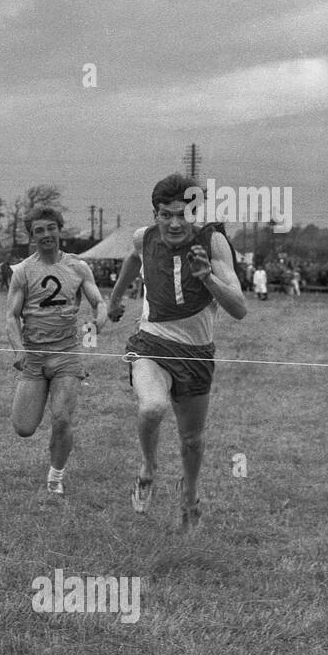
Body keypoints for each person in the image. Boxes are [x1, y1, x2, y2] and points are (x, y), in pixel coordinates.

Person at [107, 173, 246, 529]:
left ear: (196, 214)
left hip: (196, 353)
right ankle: (147, 468)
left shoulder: (212, 243)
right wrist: (116, 298)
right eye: (165, 214)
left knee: (192, 439)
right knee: (152, 407)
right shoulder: (144, 237)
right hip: (151, 342)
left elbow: (239, 308)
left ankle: (190, 495)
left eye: (182, 214)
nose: (173, 223)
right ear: (155, 214)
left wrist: (207, 279)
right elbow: (133, 260)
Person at [6, 208, 108, 496]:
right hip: (34, 356)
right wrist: (18, 351)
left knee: (62, 418)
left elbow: (99, 303)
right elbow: (11, 317)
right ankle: (52, 464)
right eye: (39, 230)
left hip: (67, 354)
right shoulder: (23, 271)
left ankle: (55, 477)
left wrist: (97, 321)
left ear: (59, 230)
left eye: (51, 228)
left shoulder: (78, 267)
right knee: (24, 428)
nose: (46, 234)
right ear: (32, 236)